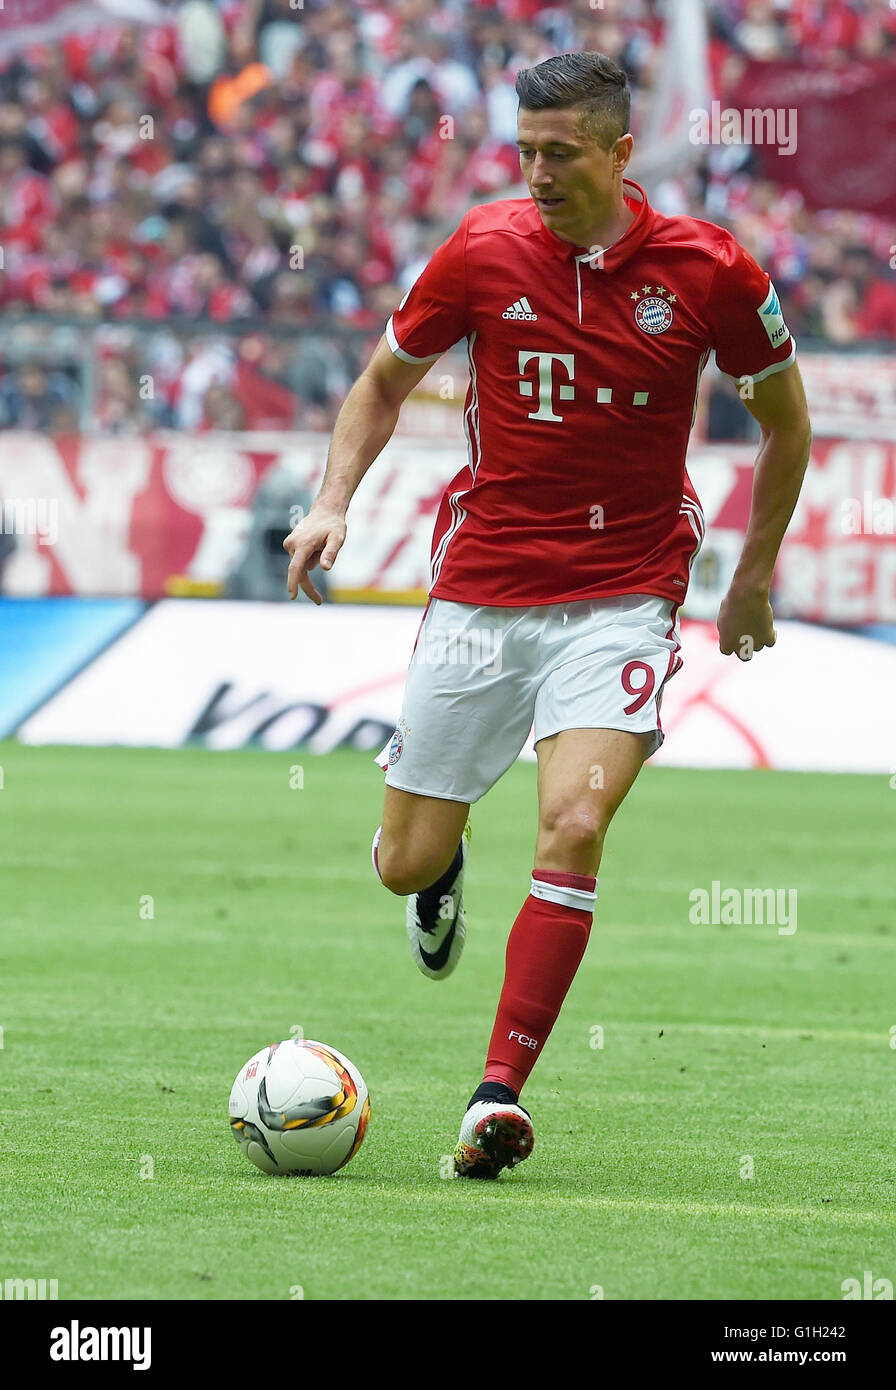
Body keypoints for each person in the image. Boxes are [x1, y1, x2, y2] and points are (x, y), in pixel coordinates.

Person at [283, 52, 812, 1179]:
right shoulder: (480, 249)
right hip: (481, 587)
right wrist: (332, 501)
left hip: (623, 593)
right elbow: (381, 381)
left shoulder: (709, 270)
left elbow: (785, 424)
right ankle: (437, 875)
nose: (536, 173)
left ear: (622, 154)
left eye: (559, 153)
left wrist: (751, 575)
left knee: (572, 824)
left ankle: (494, 1095)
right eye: (524, 151)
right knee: (399, 857)